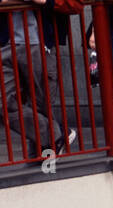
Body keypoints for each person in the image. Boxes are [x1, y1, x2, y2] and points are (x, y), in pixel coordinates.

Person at [1, 0, 74, 160]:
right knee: (4, 105)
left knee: (42, 104)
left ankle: (44, 155)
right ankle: (57, 134)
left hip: (40, 44)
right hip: (4, 44)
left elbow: (75, 4)